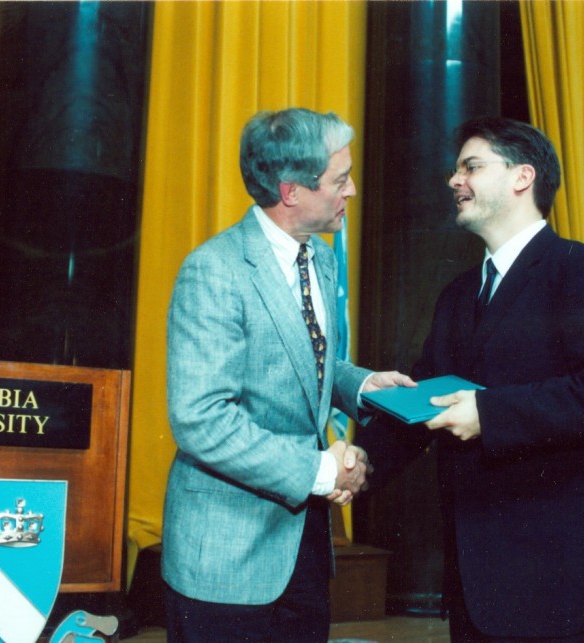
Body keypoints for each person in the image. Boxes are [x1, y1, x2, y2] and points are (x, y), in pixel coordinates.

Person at [358, 117, 584, 642]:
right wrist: (362, 463)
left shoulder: (580, 269)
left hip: (550, 574)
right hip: (473, 576)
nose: (455, 181)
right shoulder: (457, 294)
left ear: (523, 177)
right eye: (456, 170)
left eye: (471, 167)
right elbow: (428, 401)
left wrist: (490, 413)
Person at [161, 107, 414, 642]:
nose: (352, 191)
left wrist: (361, 385)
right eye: (340, 180)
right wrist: (323, 473)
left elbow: (305, 358)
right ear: (291, 190)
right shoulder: (214, 271)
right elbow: (201, 419)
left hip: (302, 553)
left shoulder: (319, 259)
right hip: (227, 563)